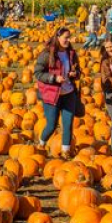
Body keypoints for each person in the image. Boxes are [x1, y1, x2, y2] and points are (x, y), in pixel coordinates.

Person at [35, 27, 81, 155]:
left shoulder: (71, 53)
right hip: (51, 94)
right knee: (52, 124)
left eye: (69, 37)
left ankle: (65, 151)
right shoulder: (47, 53)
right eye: (66, 37)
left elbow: (79, 71)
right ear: (58, 37)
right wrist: (54, 78)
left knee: (68, 124)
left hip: (69, 93)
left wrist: (75, 73)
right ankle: (41, 144)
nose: (68, 40)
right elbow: (38, 73)